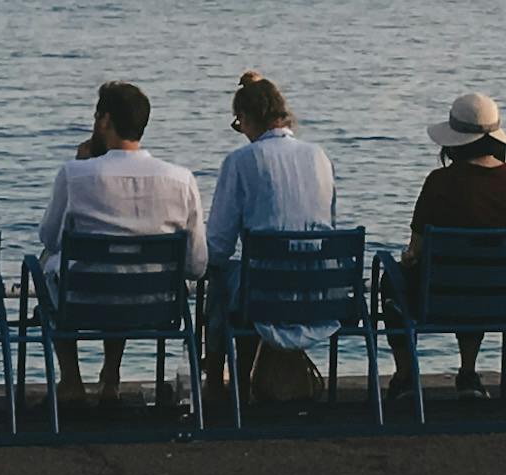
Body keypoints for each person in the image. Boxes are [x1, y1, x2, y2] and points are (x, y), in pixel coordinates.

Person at [36, 80, 207, 410]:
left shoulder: (75, 174)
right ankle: (110, 378)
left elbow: (50, 237)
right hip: (156, 302)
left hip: (83, 300)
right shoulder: (181, 178)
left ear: (105, 121)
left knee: (49, 264)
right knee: (128, 267)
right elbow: (197, 265)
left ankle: (71, 380)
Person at [386, 91, 506, 404]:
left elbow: (415, 248)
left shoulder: (440, 183)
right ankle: (468, 372)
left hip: (442, 298)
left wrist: (407, 260)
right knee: (480, 273)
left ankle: (405, 375)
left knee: (390, 280)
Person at [204, 71, 336, 404]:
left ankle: (217, 383)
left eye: (239, 124)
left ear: (246, 118)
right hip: (317, 289)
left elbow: (218, 247)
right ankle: (247, 375)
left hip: (262, 294)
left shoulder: (241, 161)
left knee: (222, 276)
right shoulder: (319, 156)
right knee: (251, 273)